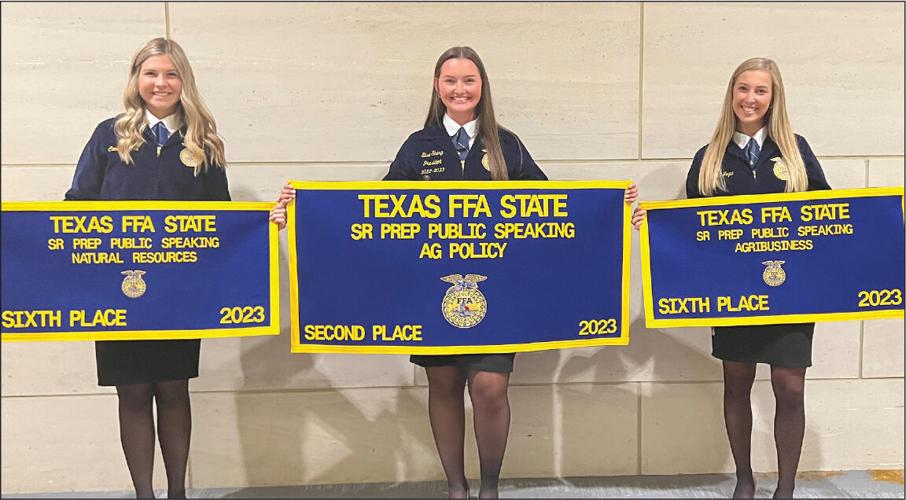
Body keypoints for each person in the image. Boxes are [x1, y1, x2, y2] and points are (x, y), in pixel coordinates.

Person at [272, 46, 636, 499]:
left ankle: (489, 488)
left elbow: (556, 213)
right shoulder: (417, 146)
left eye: (469, 80)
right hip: (430, 298)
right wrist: (302, 209)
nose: (460, 89)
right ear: (437, 87)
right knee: (443, 388)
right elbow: (370, 217)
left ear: (482, 87)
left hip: (498, 301)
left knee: (488, 389)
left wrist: (611, 210)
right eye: (450, 80)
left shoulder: (507, 145)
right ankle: (456, 488)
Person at [633, 57, 829, 499]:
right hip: (732, 293)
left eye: (760, 90)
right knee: (736, 382)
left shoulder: (797, 151)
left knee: (789, 386)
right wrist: (654, 220)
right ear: (732, 94)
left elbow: (827, 219)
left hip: (789, 292)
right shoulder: (710, 157)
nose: (750, 98)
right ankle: (743, 479)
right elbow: (688, 226)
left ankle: (786, 487)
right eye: (743, 88)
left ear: (773, 98)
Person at [65, 37, 229, 499]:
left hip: (179, 292)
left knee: (174, 390)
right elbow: (76, 205)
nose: (161, 83)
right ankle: (145, 495)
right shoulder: (109, 135)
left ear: (184, 81)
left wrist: (267, 223)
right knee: (133, 393)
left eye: (171, 74)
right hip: (119, 291)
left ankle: (177, 493)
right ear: (137, 79)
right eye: (152, 73)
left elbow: (225, 218)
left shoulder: (204, 141)